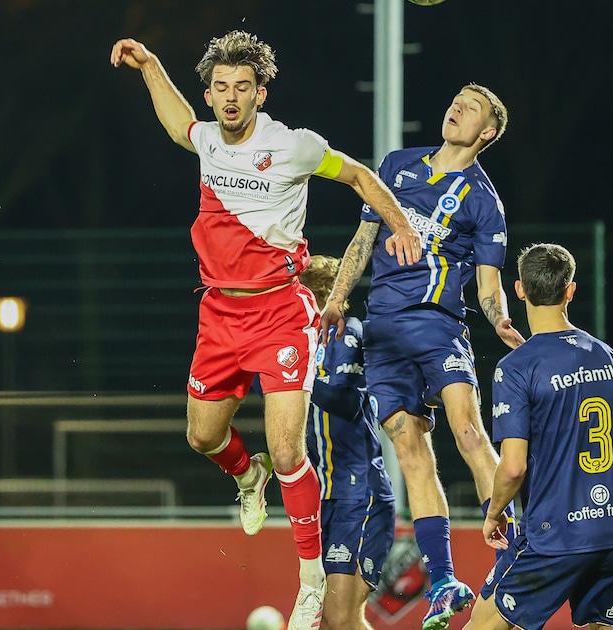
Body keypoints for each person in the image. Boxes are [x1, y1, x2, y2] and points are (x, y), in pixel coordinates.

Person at [110, 30, 423, 629]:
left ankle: (308, 584)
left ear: (261, 93)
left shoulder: (295, 147)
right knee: (202, 438)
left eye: (242, 88)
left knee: (287, 448)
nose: (231, 98)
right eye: (221, 88)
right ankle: (244, 474)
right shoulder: (207, 141)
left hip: (280, 311)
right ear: (209, 93)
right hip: (218, 313)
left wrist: (401, 225)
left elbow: (359, 176)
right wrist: (150, 64)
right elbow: (179, 126)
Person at [318, 83, 523, 630]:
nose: (454, 108)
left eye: (470, 108)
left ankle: (511, 557)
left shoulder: (484, 201)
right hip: (383, 330)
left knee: (470, 433)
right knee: (409, 447)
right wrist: (337, 297)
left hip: (438, 328)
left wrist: (499, 318)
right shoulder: (397, 164)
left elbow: (487, 285)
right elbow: (362, 240)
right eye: (454, 100)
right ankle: (444, 581)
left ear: (488, 132)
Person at [467, 243, 613, 630]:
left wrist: (494, 514)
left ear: (520, 290)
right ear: (570, 290)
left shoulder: (516, 367)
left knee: (484, 622)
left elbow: (512, 468)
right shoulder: (612, 359)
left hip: (553, 537)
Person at [299, 256, 396, 630]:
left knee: (340, 618)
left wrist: (300, 377)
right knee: (332, 622)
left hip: (359, 492)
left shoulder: (347, 333)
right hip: (323, 495)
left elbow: (348, 402)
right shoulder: (296, 344)